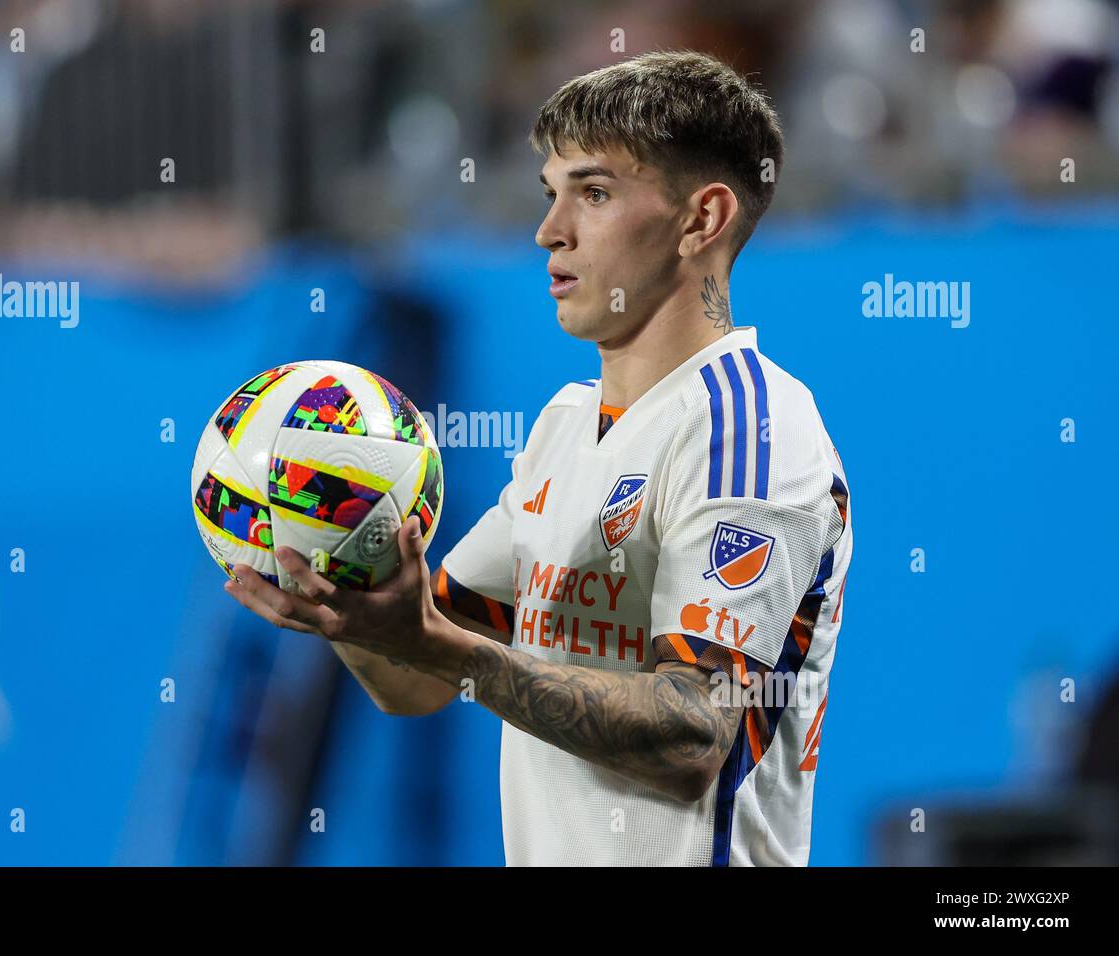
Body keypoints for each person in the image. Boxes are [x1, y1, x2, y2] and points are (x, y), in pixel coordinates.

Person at [224, 50, 852, 866]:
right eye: (550, 193)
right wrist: (341, 589)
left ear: (703, 219)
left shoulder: (752, 428)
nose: (549, 231)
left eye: (593, 193)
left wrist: (445, 649)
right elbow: (415, 678)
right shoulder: (564, 425)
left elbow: (693, 732)